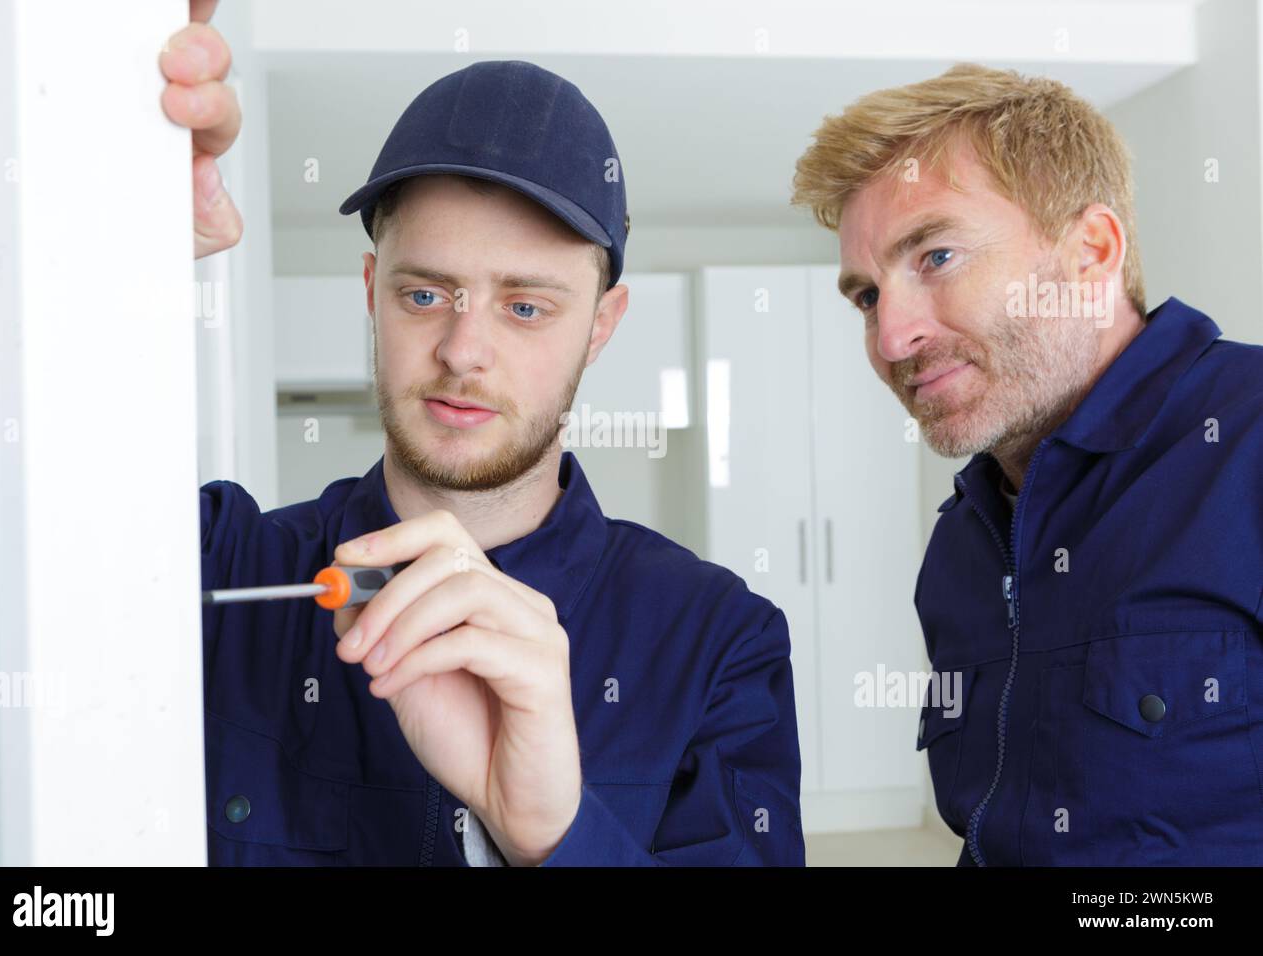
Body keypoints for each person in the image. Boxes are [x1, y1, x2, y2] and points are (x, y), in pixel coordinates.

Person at [160, 1, 804, 866]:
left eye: (526, 306)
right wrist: (102, 264)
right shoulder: (222, 571)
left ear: (603, 323)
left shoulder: (719, 639)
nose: (464, 351)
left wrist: (553, 838)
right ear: (370, 287)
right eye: (424, 294)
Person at [792, 62, 1263, 865]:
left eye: (936, 256)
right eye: (867, 296)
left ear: (1092, 252)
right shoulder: (960, 547)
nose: (891, 338)